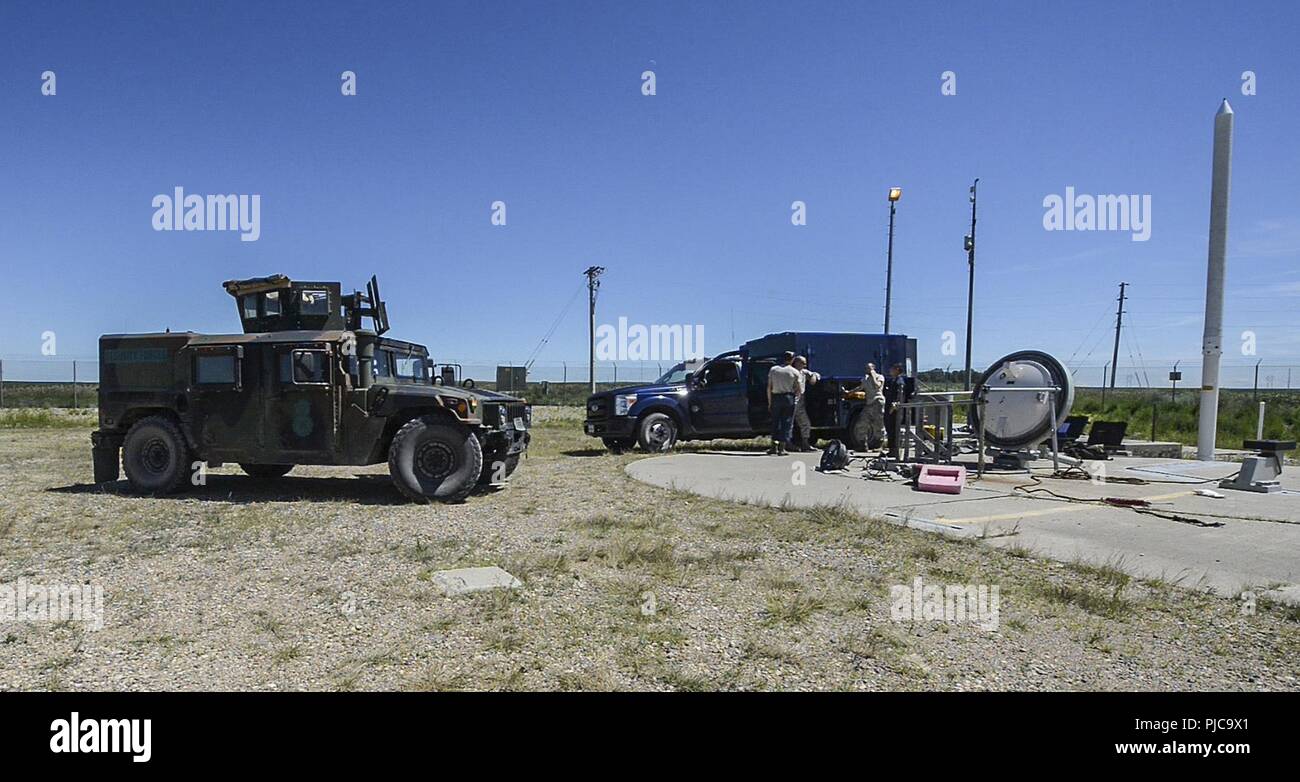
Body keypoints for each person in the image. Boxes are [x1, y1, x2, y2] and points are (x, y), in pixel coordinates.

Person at [766, 351, 802, 455]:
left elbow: (769, 387)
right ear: (792, 359)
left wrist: (769, 401)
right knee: (786, 422)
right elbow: (798, 389)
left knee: (775, 422)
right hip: (788, 397)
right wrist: (796, 399)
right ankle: (782, 448)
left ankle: (773, 446)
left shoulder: (773, 370)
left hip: (776, 397)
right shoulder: (795, 372)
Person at [884, 363, 915, 459]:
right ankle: (891, 450)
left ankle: (894, 451)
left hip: (895, 410)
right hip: (890, 408)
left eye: (892, 369)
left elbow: (899, 395)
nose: (890, 371)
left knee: (894, 430)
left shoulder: (899, 382)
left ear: (897, 369)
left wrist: (894, 405)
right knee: (890, 429)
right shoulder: (894, 381)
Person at [790, 355, 820, 452]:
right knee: (789, 424)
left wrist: (814, 377)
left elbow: (815, 375)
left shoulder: (803, 372)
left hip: (800, 402)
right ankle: (787, 444)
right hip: (791, 400)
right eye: (803, 363)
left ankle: (805, 443)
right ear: (797, 363)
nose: (805, 365)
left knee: (805, 423)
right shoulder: (789, 371)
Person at [856, 362, 886, 451]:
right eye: (866, 368)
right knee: (862, 423)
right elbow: (860, 388)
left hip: (878, 402)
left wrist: (873, 375)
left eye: (869, 368)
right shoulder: (865, 379)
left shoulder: (880, 377)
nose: (867, 370)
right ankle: (862, 444)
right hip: (869, 403)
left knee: (878, 424)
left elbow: (877, 386)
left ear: (873, 368)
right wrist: (849, 392)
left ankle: (879, 444)